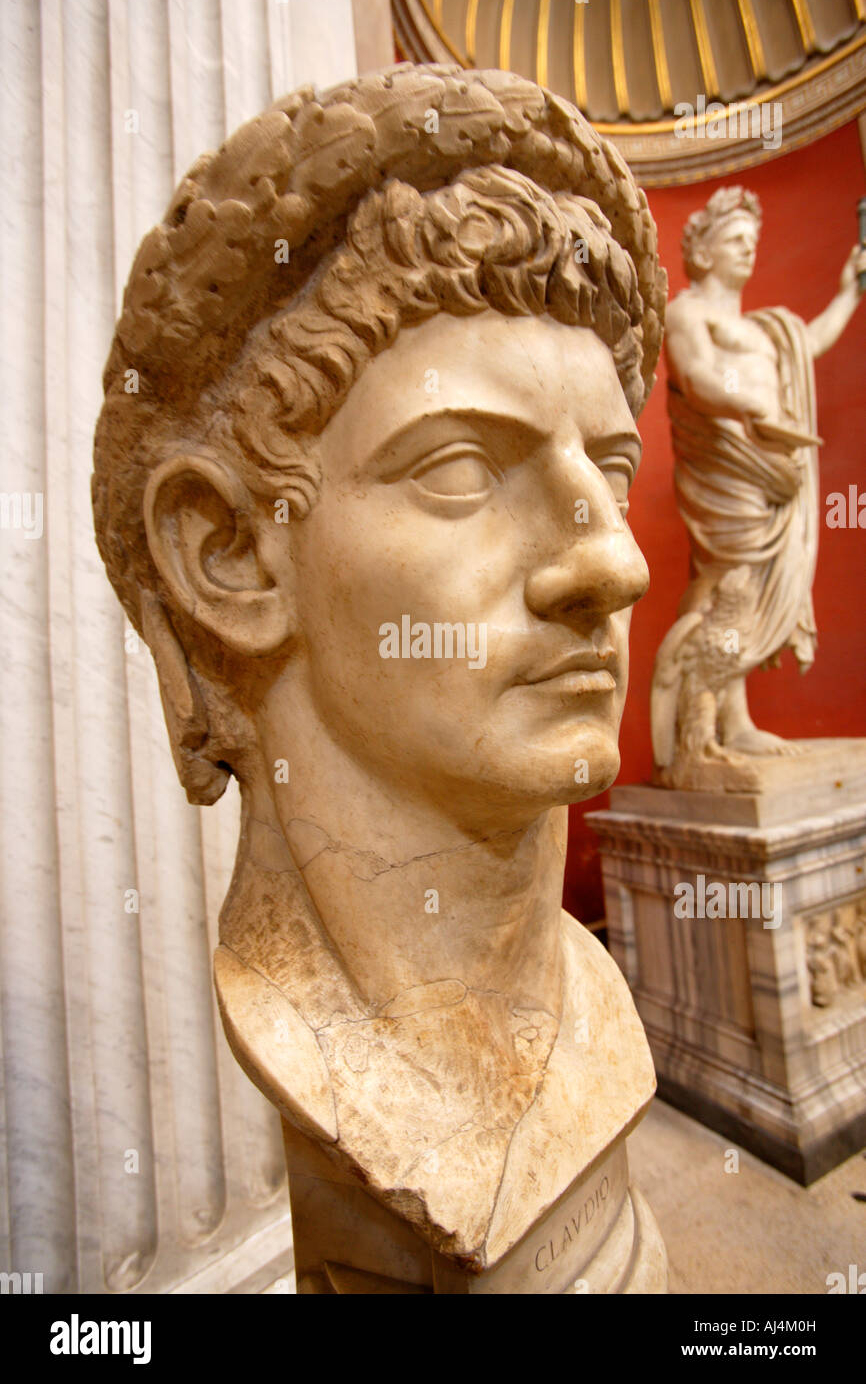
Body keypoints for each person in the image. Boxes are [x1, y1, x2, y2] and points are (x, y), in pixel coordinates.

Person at [93, 64, 666, 1287]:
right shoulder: (308, 1034)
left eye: (608, 474)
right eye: (460, 470)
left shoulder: (598, 1007)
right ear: (231, 553)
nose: (611, 562)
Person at [653, 186, 866, 776]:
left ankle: (736, 722)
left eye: (754, 240)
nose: (749, 249)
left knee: (746, 587)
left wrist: (850, 292)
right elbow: (695, 376)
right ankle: (711, 730)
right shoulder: (689, 312)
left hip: (771, 476)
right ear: (703, 251)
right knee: (729, 583)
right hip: (727, 469)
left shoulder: (767, 329)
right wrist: (753, 406)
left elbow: (811, 341)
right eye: (736, 239)